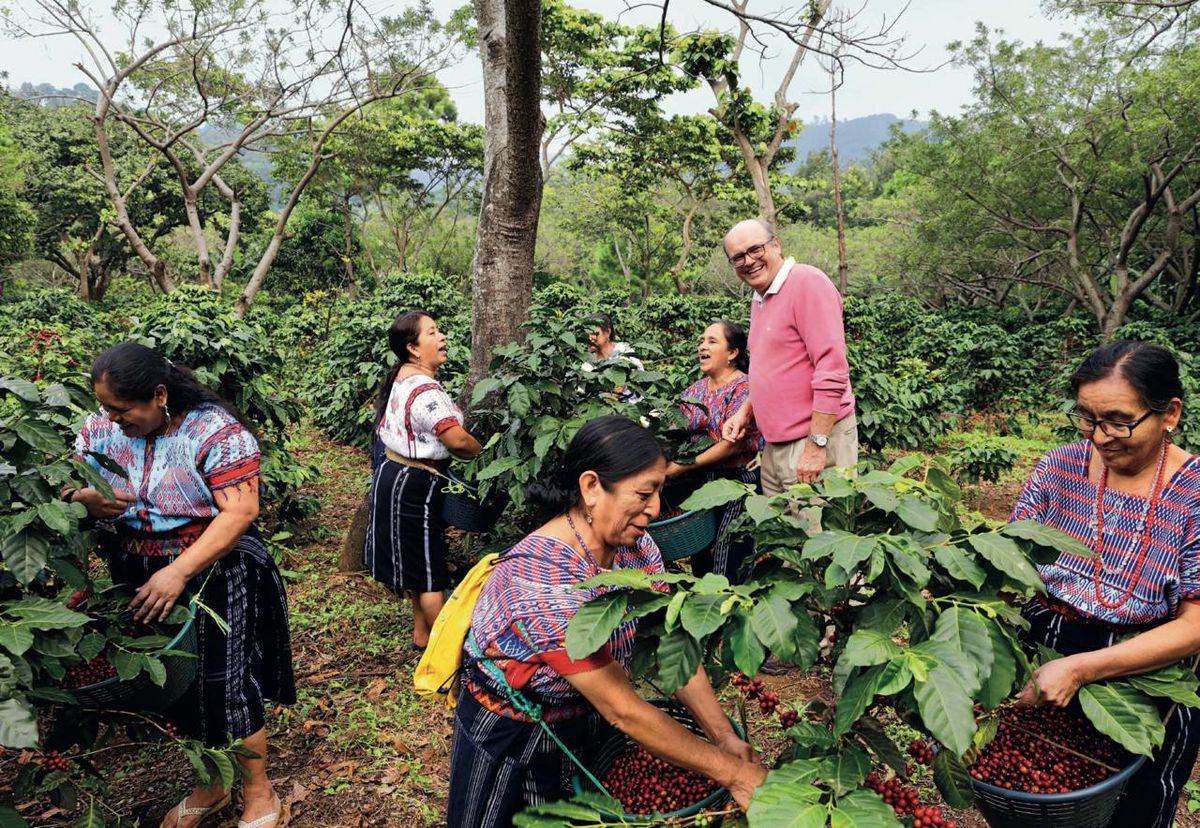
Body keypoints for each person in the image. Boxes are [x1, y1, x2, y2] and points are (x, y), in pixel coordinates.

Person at [447, 416, 767, 827]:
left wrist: (723, 737)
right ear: (592, 487)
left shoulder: (636, 550)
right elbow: (623, 710)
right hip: (512, 731)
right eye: (644, 493)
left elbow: (672, 644)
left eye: (660, 490)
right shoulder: (542, 582)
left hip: (581, 717)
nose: (655, 508)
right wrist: (735, 774)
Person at [66, 342, 294, 828]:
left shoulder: (215, 432)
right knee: (177, 681)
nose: (111, 417)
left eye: (121, 408)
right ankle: (212, 784)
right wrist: (85, 497)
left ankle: (259, 792)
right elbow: (63, 480)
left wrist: (178, 571)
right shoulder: (100, 428)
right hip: (135, 568)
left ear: (160, 395)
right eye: (104, 406)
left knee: (225, 681)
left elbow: (240, 512)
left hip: (216, 567)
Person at [1011, 340, 1200, 828]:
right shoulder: (1059, 467)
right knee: (1039, 783)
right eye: (1087, 418)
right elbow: (1012, 557)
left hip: (1145, 663)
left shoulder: (1194, 495)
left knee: (1135, 802)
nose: (1099, 437)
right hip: (1044, 645)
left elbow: (1196, 624)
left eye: (1119, 421)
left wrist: (1082, 669)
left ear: (1170, 413)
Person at [364, 310, 482, 652]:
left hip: (397, 475)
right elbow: (456, 440)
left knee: (417, 563)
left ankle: (423, 637)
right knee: (430, 573)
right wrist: (484, 453)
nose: (441, 337)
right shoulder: (424, 389)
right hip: (412, 484)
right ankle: (453, 653)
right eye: (432, 332)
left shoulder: (405, 373)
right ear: (413, 348)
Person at [720, 219, 857, 495]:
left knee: (817, 533)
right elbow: (775, 368)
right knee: (783, 534)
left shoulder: (807, 282)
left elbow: (832, 368)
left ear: (776, 245)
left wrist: (816, 444)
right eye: (738, 257)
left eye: (755, 249)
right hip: (776, 446)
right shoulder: (760, 299)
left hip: (813, 441)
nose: (749, 261)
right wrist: (745, 412)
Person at [664, 321, 761, 581]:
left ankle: (732, 614)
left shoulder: (745, 388)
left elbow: (733, 445)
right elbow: (674, 429)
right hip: (701, 482)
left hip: (738, 482)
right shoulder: (695, 390)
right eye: (701, 341)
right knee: (702, 555)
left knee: (728, 555)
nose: (702, 347)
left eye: (712, 341)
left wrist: (678, 468)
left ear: (733, 353)